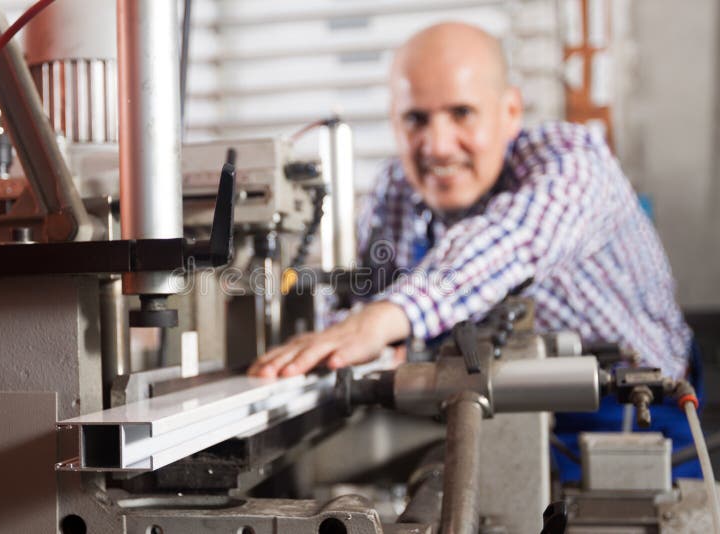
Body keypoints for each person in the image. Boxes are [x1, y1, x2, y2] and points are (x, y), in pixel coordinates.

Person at [248, 22, 698, 480]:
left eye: (462, 113)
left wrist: (387, 317)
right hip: (493, 406)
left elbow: (511, 240)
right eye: (415, 119)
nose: (438, 146)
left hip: (636, 406)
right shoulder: (396, 189)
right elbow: (360, 309)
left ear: (510, 111)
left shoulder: (571, 161)